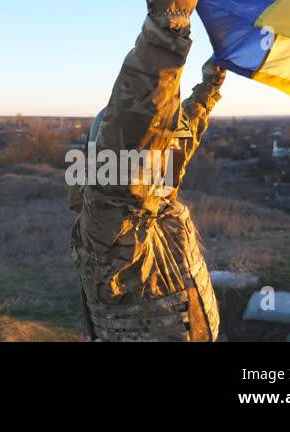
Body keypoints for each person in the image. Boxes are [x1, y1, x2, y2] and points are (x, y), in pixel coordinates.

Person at [70, 0, 226, 341]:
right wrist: (168, 29)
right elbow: (137, 124)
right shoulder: (108, 225)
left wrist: (209, 89)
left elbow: (174, 144)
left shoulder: (157, 197)